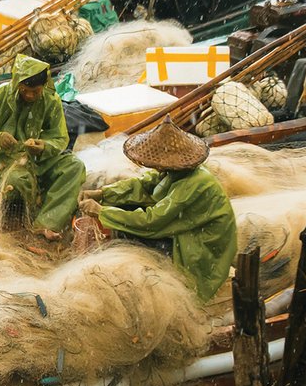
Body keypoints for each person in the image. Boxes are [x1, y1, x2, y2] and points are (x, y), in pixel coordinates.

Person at [77, 118, 237, 300]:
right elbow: (142, 184)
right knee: (124, 210)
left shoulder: (193, 184)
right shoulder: (175, 171)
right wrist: (102, 194)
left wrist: (101, 211)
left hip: (204, 247)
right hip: (189, 229)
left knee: (131, 232)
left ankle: (167, 283)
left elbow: (151, 221)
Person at [0, 54, 86, 237]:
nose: (29, 95)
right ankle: (27, 218)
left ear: (43, 87)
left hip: (36, 159)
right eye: (24, 90)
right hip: (1, 161)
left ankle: (46, 224)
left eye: (35, 92)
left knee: (74, 166)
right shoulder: (0, 96)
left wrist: (43, 146)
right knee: (19, 181)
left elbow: (59, 137)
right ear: (17, 83)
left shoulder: (50, 100)